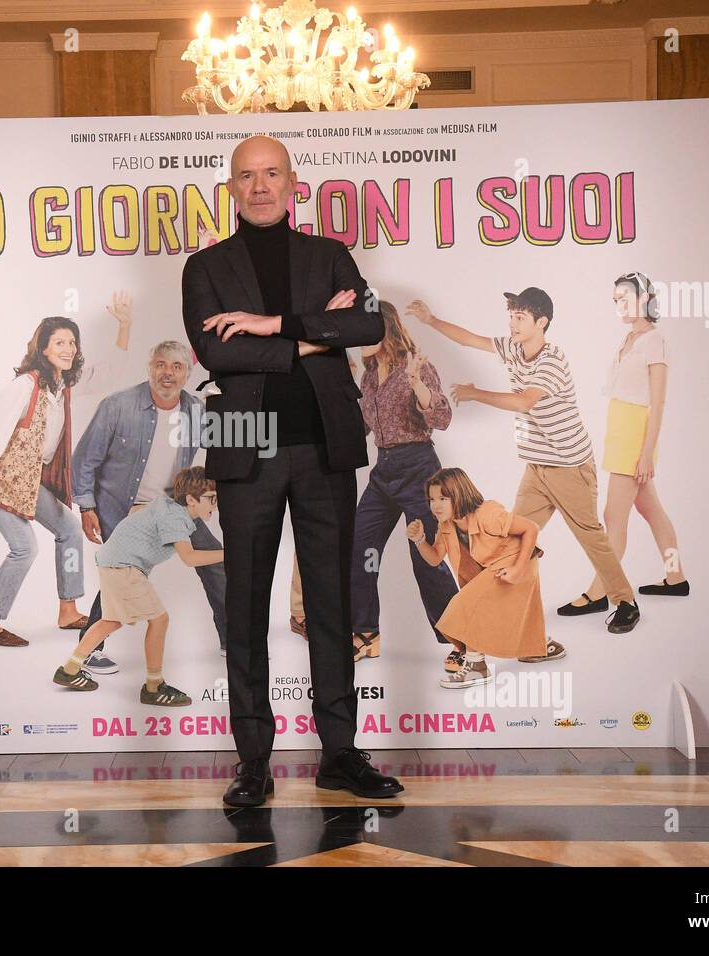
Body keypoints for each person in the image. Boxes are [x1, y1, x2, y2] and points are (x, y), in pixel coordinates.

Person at [182, 133, 402, 807]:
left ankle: (340, 754)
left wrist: (267, 324)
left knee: (333, 605)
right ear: (231, 188)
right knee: (246, 606)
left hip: (325, 447)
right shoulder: (205, 266)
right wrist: (312, 337)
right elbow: (216, 356)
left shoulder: (329, 254)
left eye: (271, 172)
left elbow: (368, 328)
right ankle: (253, 762)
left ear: (292, 182)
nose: (260, 185)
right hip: (243, 440)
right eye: (247, 175)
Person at [407, 288, 640, 637]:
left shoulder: (552, 360)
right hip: (536, 467)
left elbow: (525, 402)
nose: (512, 323)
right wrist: (431, 320)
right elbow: (473, 340)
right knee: (509, 540)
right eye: (511, 315)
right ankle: (504, 616)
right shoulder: (514, 347)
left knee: (589, 535)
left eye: (520, 317)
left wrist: (476, 394)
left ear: (541, 322)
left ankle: (625, 602)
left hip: (568, 466)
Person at [71, 340, 227, 675]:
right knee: (124, 574)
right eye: (161, 364)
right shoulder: (117, 406)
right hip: (124, 508)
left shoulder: (197, 412)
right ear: (150, 367)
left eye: (177, 367)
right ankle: (89, 650)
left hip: (173, 507)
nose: (167, 373)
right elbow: (84, 459)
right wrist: (86, 506)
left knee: (215, 561)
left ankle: (233, 642)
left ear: (187, 374)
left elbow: (228, 445)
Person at [0, 316, 87, 645]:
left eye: (72, 343)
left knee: (69, 528)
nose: (67, 349)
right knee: (24, 548)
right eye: (59, 343)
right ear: (43, 348)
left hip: (26, 482)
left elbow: (108, 372)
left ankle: (68, 609)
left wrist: (123, 329)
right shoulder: (25, 386)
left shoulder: (61, 387)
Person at [53, 466, 223, 705]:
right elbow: (190, 558)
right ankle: (154, 686)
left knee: (110, 621)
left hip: (114, 562)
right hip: (124, 566)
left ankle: (69, 670)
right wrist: (229, 554)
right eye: (211, 498)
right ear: (191, 500)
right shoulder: (177, 518)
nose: (215, 503)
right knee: (159, 620)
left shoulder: (170, 508)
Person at [350, 300, 458, 661]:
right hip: (383, 471)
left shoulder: (415, 365)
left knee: (427, 559)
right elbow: (364, 427)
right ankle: (366, 633)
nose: (357, 337)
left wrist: (417, 385)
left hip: (419, 470)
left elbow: (441, 417)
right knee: (362, 550)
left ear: (385, 328)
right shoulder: (367, 376)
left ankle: (461, 641)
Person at [577, 272, 689, 601]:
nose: (619, 306)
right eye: (616, 301)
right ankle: (676, 576)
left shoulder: (655, 340)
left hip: (635, 439)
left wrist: (645, 454)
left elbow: (657, 402)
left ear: (644, 298)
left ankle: (599, 593)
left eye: (624, 298)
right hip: (621, 434)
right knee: (653, 512)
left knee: (614, 518)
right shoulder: (630, 339)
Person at [406, 467, 561, 688]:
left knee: (465, 605)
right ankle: (540, 645)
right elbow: (434, 559)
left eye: (443, 498)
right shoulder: (446, 525)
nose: (436, 505)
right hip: (493, 569)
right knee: (481, 612)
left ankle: (477, 667)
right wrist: (420, 539)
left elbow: (530, 529)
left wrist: (517, 569)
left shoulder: (487, 514)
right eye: (432, 499)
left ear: (459, 494)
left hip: (517, 563)